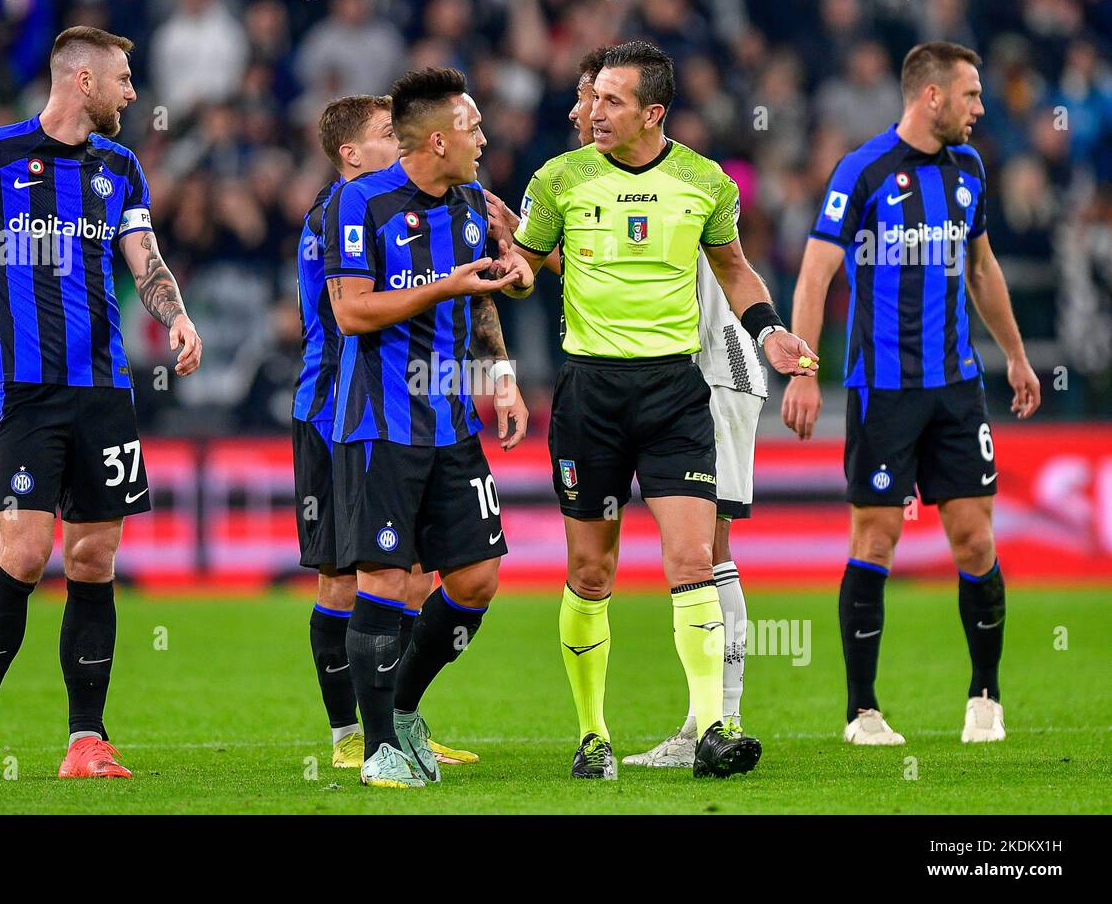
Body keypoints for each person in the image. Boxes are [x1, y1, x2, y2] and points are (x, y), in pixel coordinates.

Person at [498, 40, 817, 779]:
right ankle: (592, 736)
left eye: (611, 100)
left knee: (692, 558)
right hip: (590, 395)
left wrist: (769, 333)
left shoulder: (704, 182)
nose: (594, 111)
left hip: (676, 392)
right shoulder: (559, 178)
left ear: (653, 112)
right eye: (593, 97)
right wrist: (512, 272)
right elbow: (529, 266)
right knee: (591, 572)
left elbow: (733, 268)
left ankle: (711, 728)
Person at [0, 26, 203, 780]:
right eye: (125, 80)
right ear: (85, 81)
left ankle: (86, 741)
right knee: (25, 553)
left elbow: (146, 257)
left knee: (94, 559)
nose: (135, 93)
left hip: (104, 390)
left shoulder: (121, 167)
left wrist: (176, 316)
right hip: (25, 393)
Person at [781, 41, 1040, 745]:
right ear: (932, 97)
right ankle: (861, 711)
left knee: (974, 538)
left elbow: (983, 270)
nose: (980, 109)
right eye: (972, 95)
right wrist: (804, 370)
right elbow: (813, 276)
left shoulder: (969, 169)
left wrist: (1014, 356)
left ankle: (985, 697)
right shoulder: (862, 171)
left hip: (957, 388)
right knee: (878, 536)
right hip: (883, 391)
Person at [322, 67, 531, 787]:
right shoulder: (359, 203)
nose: (483, 138)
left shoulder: (472, 200)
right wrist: (445, 284)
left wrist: (500, 377)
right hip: (379, 422)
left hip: (450, 420)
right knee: (383, 577)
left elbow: (487, 294)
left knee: (477, 578)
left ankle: (404, 708)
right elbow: (351, 312)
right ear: (437, 138)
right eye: (473, 127)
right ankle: (378, 748)